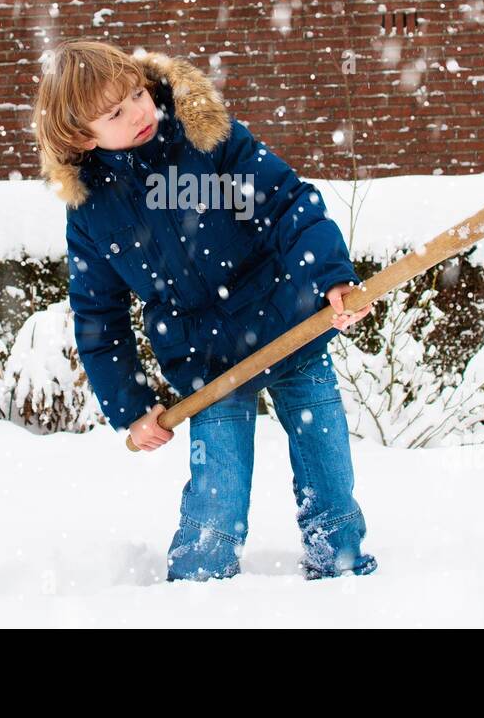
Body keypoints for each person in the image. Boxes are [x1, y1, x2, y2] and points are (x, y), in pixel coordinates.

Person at [34, 38, 378, 582]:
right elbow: (100, 316)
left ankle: (341, 567)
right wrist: (131, 406)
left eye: (138, 95)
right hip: (208, 360)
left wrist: (330, 274)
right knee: (218, 493)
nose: (140, 113)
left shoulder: (205, 140)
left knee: (328, 466)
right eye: (116, 113)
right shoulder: (90, 211)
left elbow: (287, 201)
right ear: (81, 135)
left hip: (290, 323)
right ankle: (197, 587)